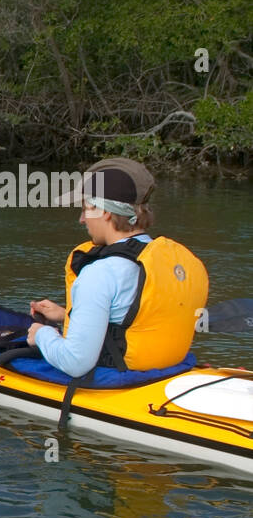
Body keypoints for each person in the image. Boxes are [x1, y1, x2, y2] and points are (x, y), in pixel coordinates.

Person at [26, 156, 207, 380]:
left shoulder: (100, 273)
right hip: (170, 371)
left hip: (120, 382)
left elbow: (76, 363)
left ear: (105, 212)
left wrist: (42, 334)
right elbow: (138, 321)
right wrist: (67, 316)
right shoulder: (177, 261)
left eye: (85, 209)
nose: (82, 219)